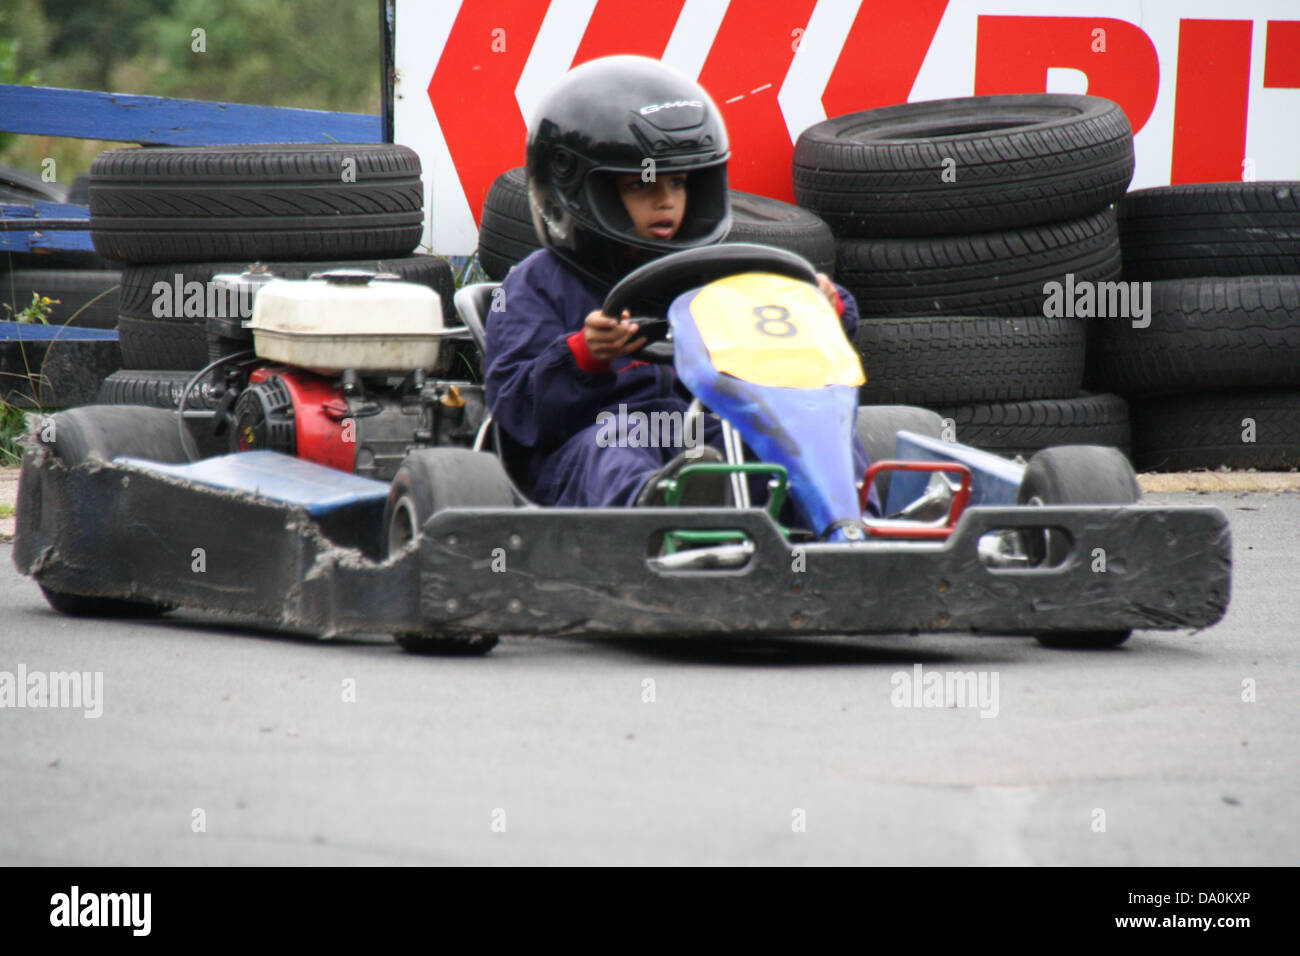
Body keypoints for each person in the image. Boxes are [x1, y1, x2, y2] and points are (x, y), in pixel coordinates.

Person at [485, 55, 877, 522]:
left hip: (705, 434)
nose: (666, 200)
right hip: (592, 446)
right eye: (640, 186)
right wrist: (585, 356)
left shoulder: (715, 271)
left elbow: (778, 333)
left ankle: (857, 530)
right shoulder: (534, 285)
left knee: (801, 431)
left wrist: (823, 309)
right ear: (579, 194)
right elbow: (515, 411)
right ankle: (656, 520)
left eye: (677, 182)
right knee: (620, 438)